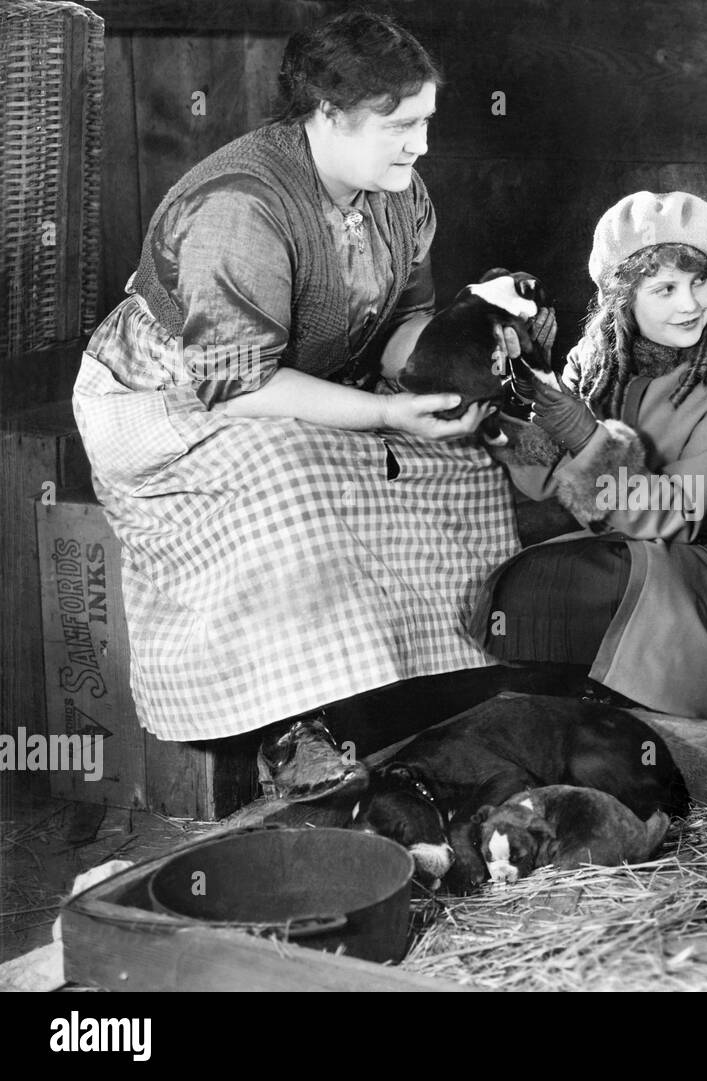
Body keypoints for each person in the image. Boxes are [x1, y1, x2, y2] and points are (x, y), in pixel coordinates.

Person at [71, 12, 517, 798]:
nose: (421, 145)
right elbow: (237, 382)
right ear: (329, 113)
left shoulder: (398, 193)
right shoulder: (240, 204)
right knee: (294, 478)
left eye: (426, 122)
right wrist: (383, 413)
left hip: (297, 381)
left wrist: (466, 351)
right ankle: (302, 727)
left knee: (462, 464)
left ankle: (414, 696)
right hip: (166, 401)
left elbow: (397, 326)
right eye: (401, 124)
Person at [469, 191, 707, 722]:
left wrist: (585, 435)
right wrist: (501, 424)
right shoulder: (592, 364)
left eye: (700, 282)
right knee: (524, 586)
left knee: (582, 580)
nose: (690, 304)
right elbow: (551, 482)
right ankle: (566, 722)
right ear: (623, 298)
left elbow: (677, 513)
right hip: (609, 546)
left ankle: (660, 725)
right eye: (665, 288)